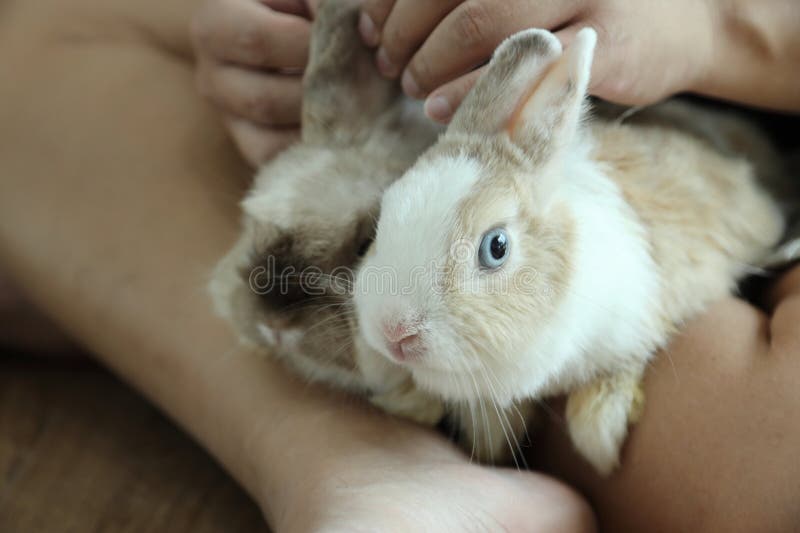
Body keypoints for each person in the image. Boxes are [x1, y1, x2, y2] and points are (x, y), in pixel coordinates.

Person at [0, 0, 797, 530]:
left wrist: (726, 29)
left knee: (772, 459)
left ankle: (365, 430)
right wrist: (283, 42)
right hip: (448, 123)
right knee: (31, 50)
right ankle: (355, 458)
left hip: (733, 104)